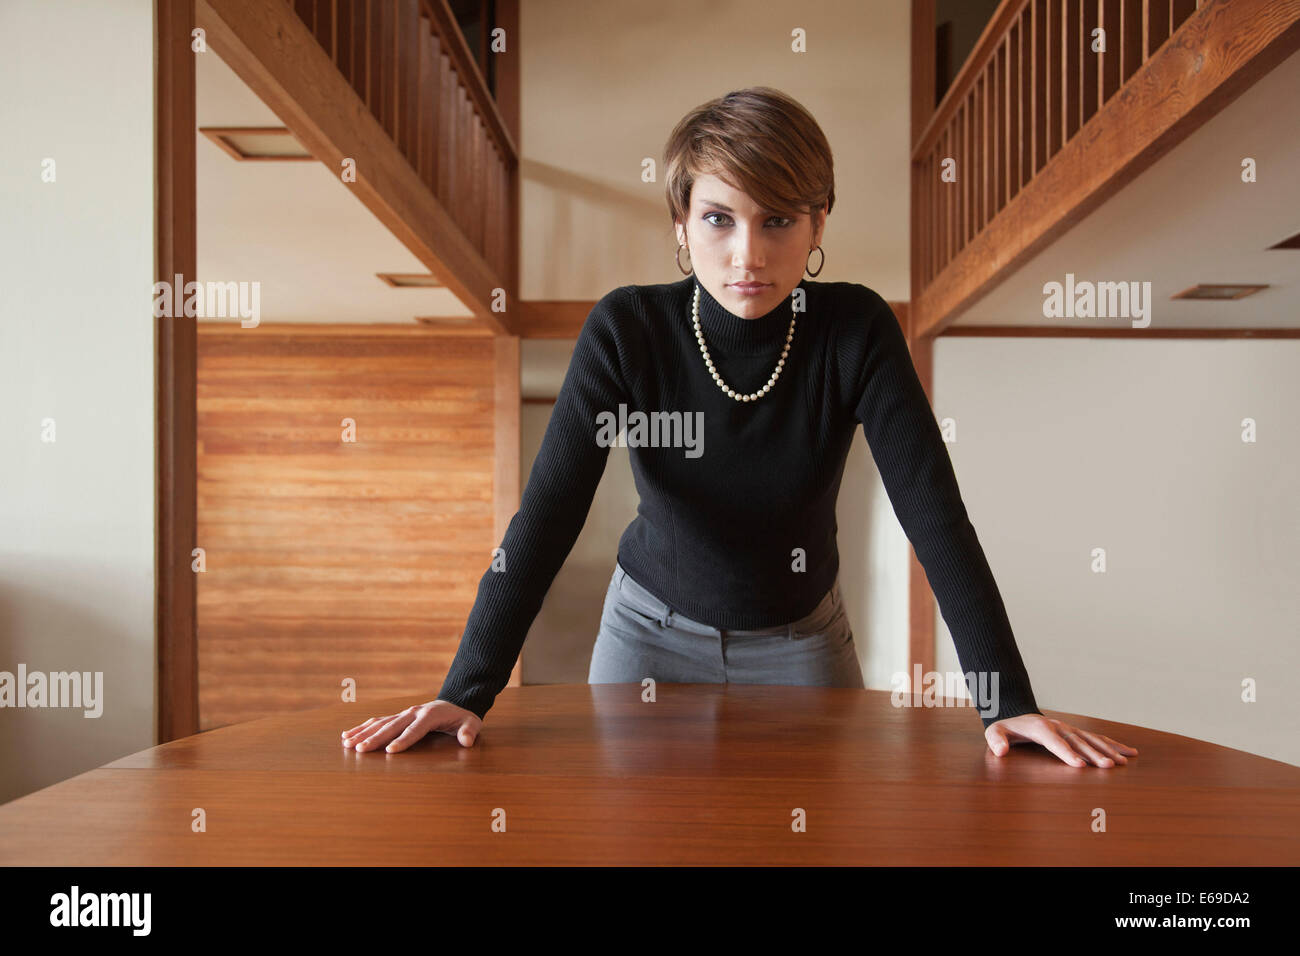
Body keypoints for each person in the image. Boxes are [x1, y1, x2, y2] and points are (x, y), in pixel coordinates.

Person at [343, 87, 1138, 769]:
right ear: (681, 226)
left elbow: (934, 516)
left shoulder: (854, 330)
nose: (746, 254)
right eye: (719, 219)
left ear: (819, 223)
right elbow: (548, 515)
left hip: (802, 645)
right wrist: (464, 688)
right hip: (645, 636)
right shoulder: (628, 330)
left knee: (801, 842)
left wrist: (1005, 701)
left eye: (779, 219)